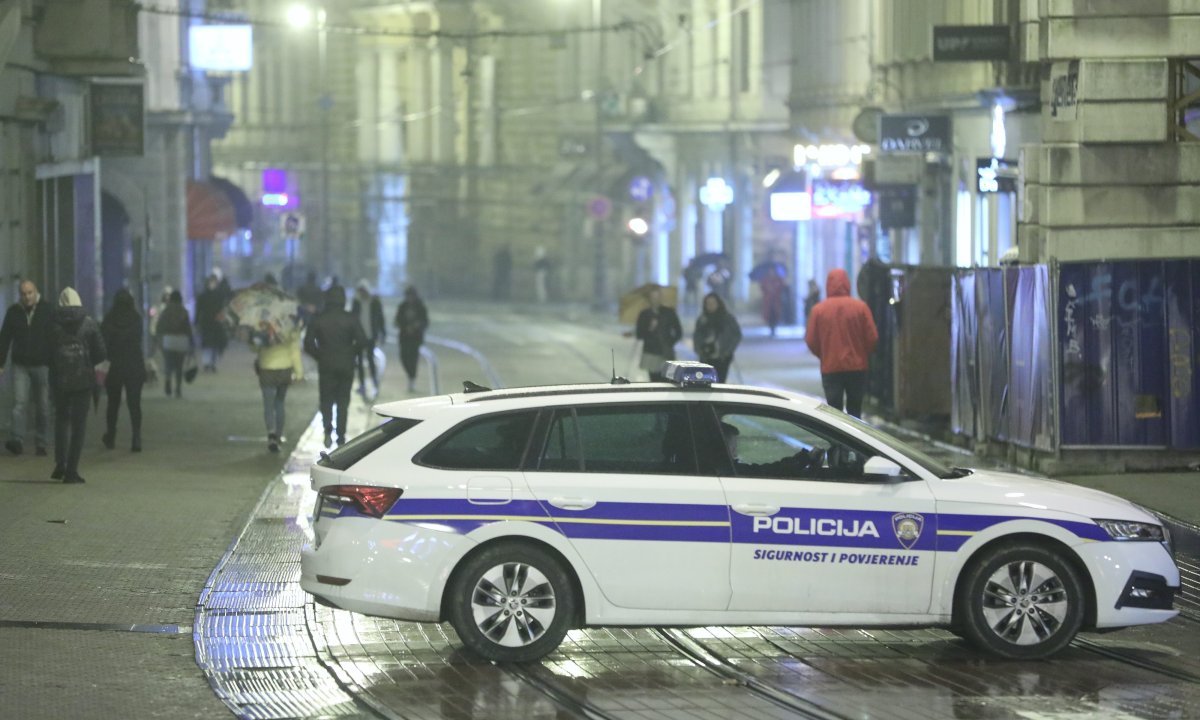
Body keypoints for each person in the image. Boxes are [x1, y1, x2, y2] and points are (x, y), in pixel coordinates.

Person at [49, 288, 106, 484]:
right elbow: (100, 352)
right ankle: (71, 471)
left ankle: (60, 464)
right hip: (83, 381)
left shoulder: (53, 324)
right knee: (79, 426)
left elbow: (47, 353)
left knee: (61, 421)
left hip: (60, 380)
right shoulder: (88, 323)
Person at [805, 268, 878, 418]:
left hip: (831, 368)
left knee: (834, 414)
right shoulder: (861, 308)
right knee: (855, 411)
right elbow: (872, 337)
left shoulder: (818, 310)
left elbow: (811, 340)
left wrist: (824, 354)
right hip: (857, 367)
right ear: (848, 284)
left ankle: (836, 441)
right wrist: (862, 354)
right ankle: (856, 440)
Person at [305, 285, 368, 448]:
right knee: (343, 400)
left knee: (326, 399)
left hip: (326, 364)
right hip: (346, 364)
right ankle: (341, 435)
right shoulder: (351, 318)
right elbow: (362, 340)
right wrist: (351, 352)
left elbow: (308, 344)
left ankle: (327, 430)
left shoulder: (319, 319)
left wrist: (320, 355)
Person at [0, 280, 54, 456]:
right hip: (20, 364)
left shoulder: (47, 310)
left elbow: (54, 336)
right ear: (19, 295)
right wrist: (0, 363)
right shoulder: (14, 312)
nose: (27, 296)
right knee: (19, 404)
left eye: (29, 292)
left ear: (35, 292)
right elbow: (5, 338)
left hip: (42, 364)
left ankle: (41, 443)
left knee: (43, 406)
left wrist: (55, 363)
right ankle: (17, 440)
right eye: (23, 293)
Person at [100, 289, 146, 452]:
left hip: (115, 366)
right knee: (134, 404)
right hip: (134, 365)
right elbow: (139, 340)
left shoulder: (109, 319)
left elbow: (103, 343)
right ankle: (136, 438)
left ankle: (111, 436)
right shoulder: (136, 319)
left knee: (113, 403)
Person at [255, 322, 304, 454]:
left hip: (267, 369)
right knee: (279, 403)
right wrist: (299, 373)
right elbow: (295, 350)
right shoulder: (289, 327)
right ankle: (278, 435)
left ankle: (271, 434)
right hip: (284, 369)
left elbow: (255, 347)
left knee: (268, 404)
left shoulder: (262, 326)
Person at [635, 286, 683, 382]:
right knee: (655, 380)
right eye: (653, 297)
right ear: (649, 299)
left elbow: (678, 331)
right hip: (651, 353)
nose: (655, 300)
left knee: (670, 380)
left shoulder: (669, 312)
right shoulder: (644, 314)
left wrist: (670, 342)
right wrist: (650, 329)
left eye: (658, 297)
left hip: (667, 352)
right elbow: (639, 334)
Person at [693, 292, 742, 383]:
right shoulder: (702, 319)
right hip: (706, 357)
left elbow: (736, 335)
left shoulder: (727, 318)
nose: (710, 306)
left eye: (713, 303)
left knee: (720, 381)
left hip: (722, 357)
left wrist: (728, 350)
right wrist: (699, 349)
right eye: (708, 304)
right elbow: (697, 336)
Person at [352, 280, 386, 398]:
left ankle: (374, 382)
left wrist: (382, 333)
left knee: (371, 360)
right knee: (359, 361)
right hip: (359, 336)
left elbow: (380, 318)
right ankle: (362, 385)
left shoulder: (374, 302)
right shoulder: (356, 303)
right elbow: (353, 319)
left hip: (371, 335)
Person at [156, 289, 193, 398]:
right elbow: (188, 329)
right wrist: (191, 342)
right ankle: (178, 389)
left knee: (168, 364)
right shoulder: (184, 311)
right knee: (179, 367)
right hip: (181, 341)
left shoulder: (166, 311)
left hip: (168, 340)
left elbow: (159, 327)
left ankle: (167, 380)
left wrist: (159, 339)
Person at [394, 286, 429, 393]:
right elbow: (397, 320)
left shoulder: (420, 307)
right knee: (403, 357)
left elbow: (425, 321)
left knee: (413, 359)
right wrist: (405, 327)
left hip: (415, 338)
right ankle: (410, 375)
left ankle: (412, 379)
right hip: (404, 337)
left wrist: (417, 326)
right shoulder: (402, 306)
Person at [195, 274, 228, 373]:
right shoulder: (204, 296)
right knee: (208, 345)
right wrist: (196, 321)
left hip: (215, 323)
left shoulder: (219, 295)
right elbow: (198, 310)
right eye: (211, 281)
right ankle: (207, 363)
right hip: (207, 323)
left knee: (214, 345)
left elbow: (223, 309)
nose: (212, 284)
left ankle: (212, 363)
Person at [759, 267, 787, 337]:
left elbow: (782, 287)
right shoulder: (765, 279)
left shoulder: (778, 279)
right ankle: (771, 328)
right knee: (769, 315)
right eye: (770, 271)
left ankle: (774, 328)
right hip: (768, 301)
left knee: (775, 315)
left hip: (776, 301)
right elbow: (762, 288)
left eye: (773, 271)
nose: (771, 273)